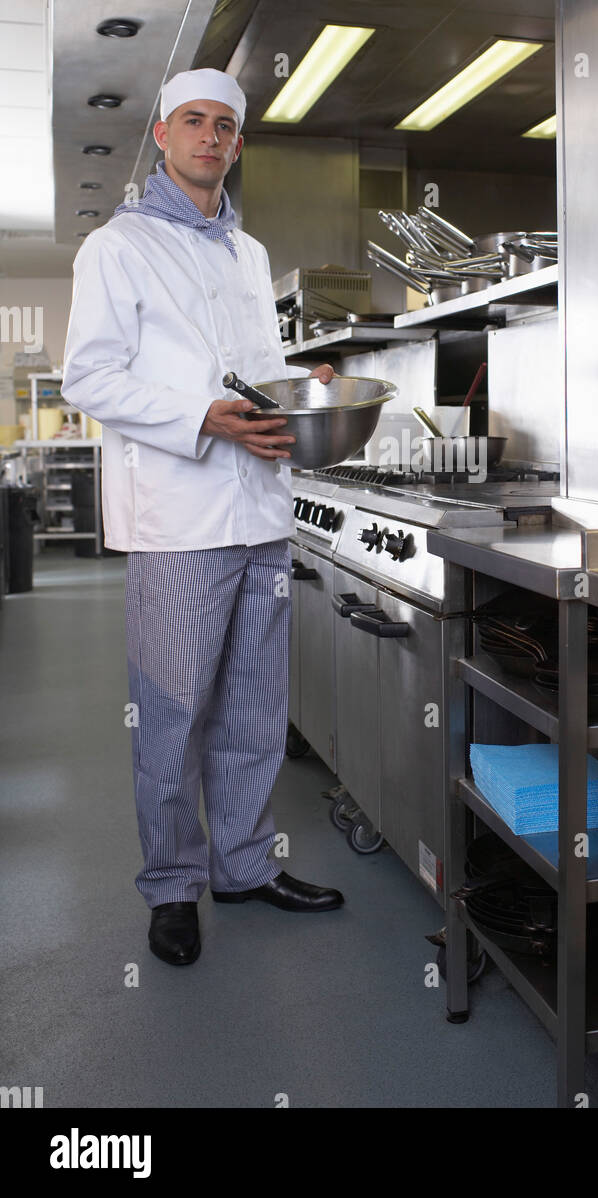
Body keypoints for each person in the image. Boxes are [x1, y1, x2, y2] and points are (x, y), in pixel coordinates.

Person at [62, 68, 344, 967]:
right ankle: (174, 886)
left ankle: (247, 866)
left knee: (258, 709)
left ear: (239, 144)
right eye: (195, 121)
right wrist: (201, 418)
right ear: (161, 134)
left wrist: (301, 395)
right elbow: (92, 378)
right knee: (174, 713)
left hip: (259, 511)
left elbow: (251, 367)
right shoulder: (118, 247)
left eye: (226, 125)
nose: (211, 137)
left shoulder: (249, 254)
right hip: (178, 517)